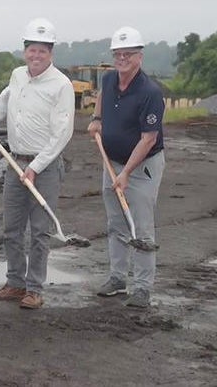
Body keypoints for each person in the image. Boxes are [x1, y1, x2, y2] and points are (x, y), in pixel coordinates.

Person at [0, 17, 75, 310]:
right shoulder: (17, 74)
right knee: (12, 228)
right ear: (25, 51)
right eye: (31, 50)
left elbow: (63, 134)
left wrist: (36, 167)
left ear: (51, 53)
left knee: (39, 231)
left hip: (43, 167)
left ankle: (34, 288)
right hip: (14, 162)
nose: (36, 56)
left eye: (42, 51)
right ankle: (15, 283)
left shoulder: (61, 85)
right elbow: (4, 98)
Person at [88, 26, 165, 308]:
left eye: (128, 54)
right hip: (112, 163)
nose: (122, 59)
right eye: (118, 54)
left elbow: (148, 140)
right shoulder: (109, 79)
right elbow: (101, 95)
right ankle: (118, 279)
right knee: (116, 223)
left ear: (139, 56)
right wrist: (97, 118)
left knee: (141, 228)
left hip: (142, 167)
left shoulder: (150, 92)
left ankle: (143, 287)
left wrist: (126, 173)